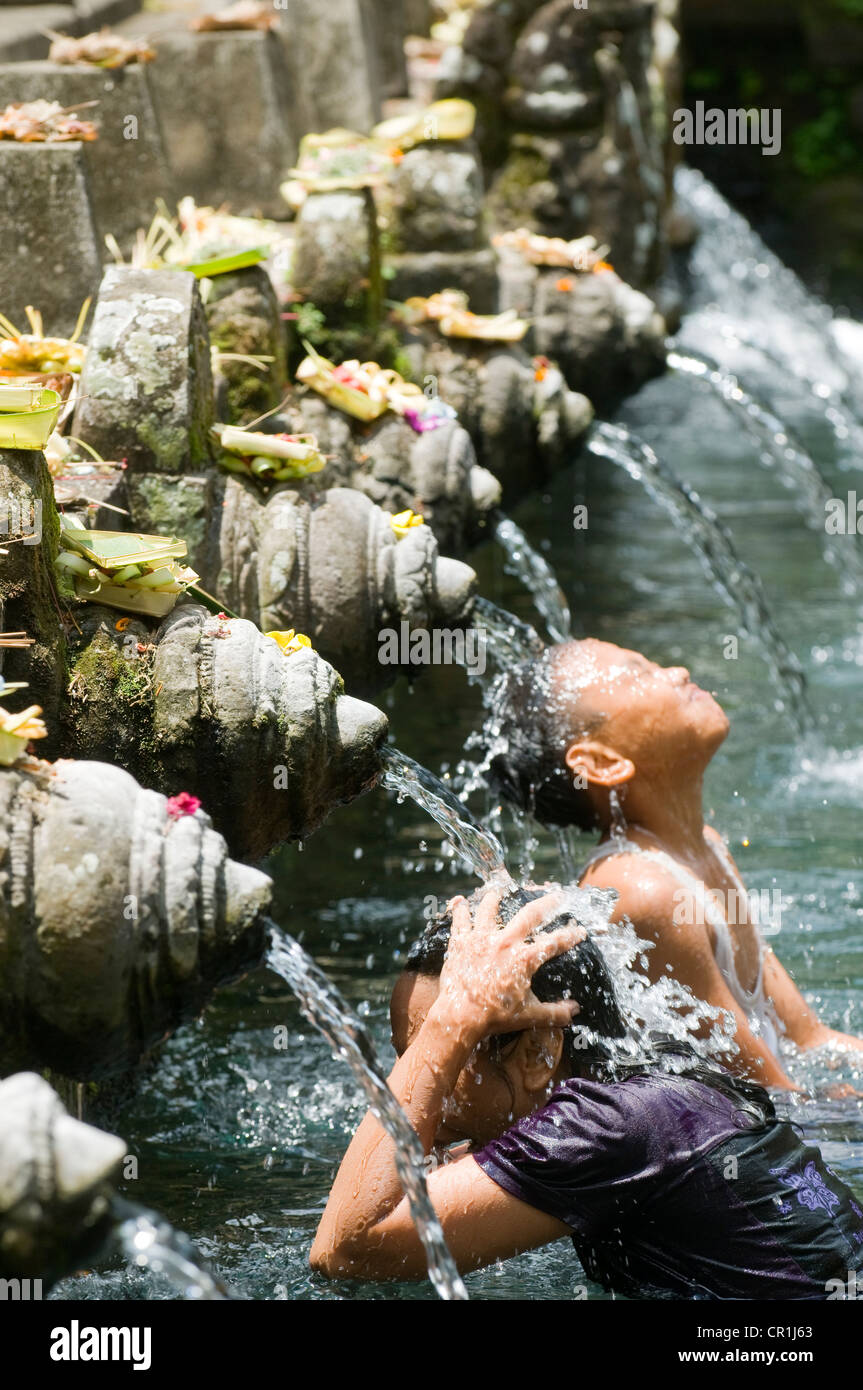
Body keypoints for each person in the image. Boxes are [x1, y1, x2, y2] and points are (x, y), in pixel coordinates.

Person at [310, 887, 863, 1296]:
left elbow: (345, 1247)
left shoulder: (602, 1128)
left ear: (537, 1054)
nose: (412, 1078)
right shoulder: (649, 1087)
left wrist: (453, 1021)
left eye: (444, 1047)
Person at [485, 639, 863, 1089]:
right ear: (603, 763)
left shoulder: (706, 845)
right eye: (638, 674)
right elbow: (770, 1095)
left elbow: (809, 1038)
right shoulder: (646, 892)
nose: (678, 669)